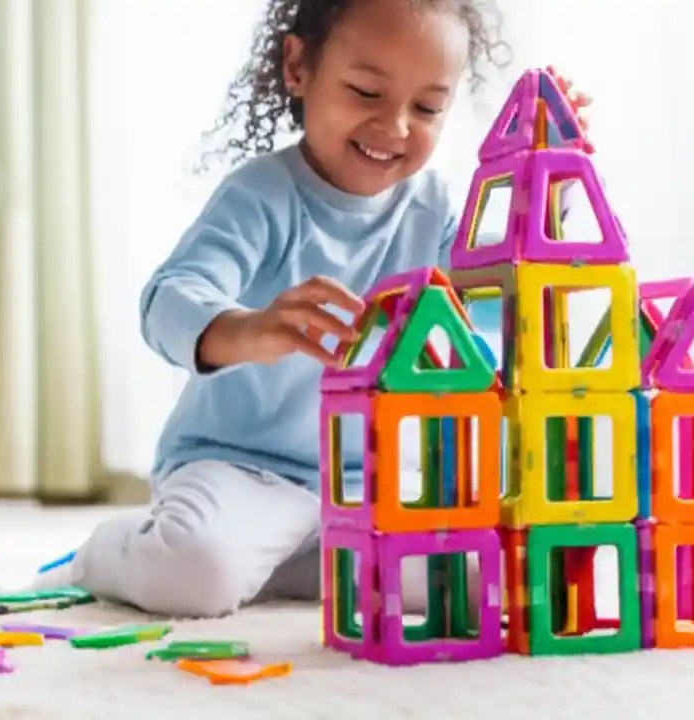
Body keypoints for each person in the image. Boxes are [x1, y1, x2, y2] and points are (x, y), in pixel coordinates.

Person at [35, 0, 512, 618]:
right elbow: (169, 299)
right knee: (194, 575)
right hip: (242, 470)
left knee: (496, 576)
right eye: (366, 91)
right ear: (298, 66)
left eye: (426, 108)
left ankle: (293, 564)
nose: (395, 127)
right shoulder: (262, 194)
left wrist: (545, 174)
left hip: (375, 486)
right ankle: (105, 552)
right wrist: (249, 329)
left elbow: (502, 304)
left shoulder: (438, 210)